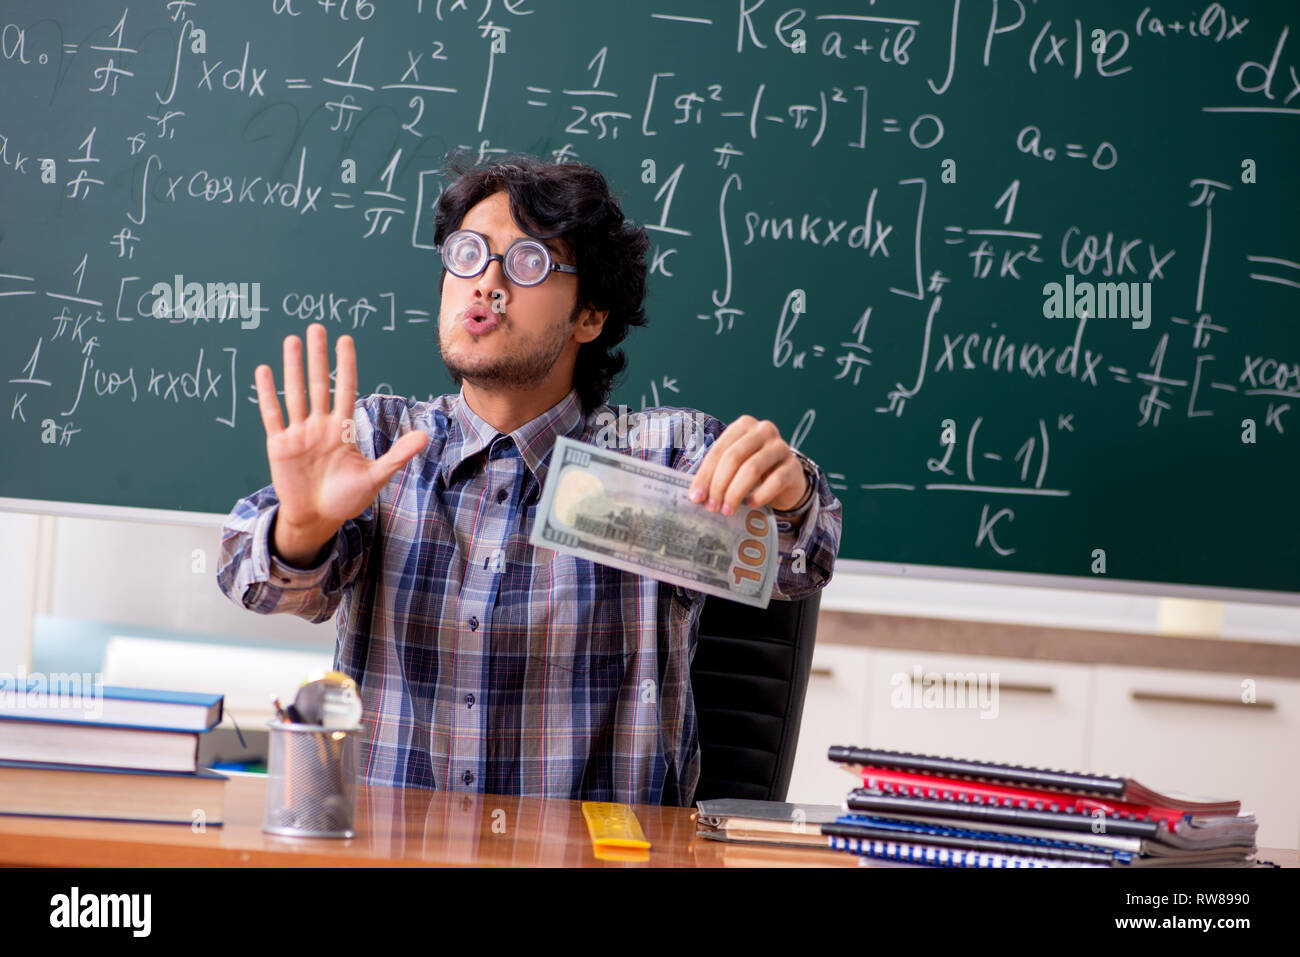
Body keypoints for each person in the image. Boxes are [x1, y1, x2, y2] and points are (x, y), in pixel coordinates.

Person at [217, 154, 842, 806]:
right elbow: (248, 577)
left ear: (590, 316)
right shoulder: (380, 445)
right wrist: (305, 527)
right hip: (394, 855)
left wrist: (793, 490)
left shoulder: (668, 457)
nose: (485, 282)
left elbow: (804, 561)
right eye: (468, 253)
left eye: (527, 262)